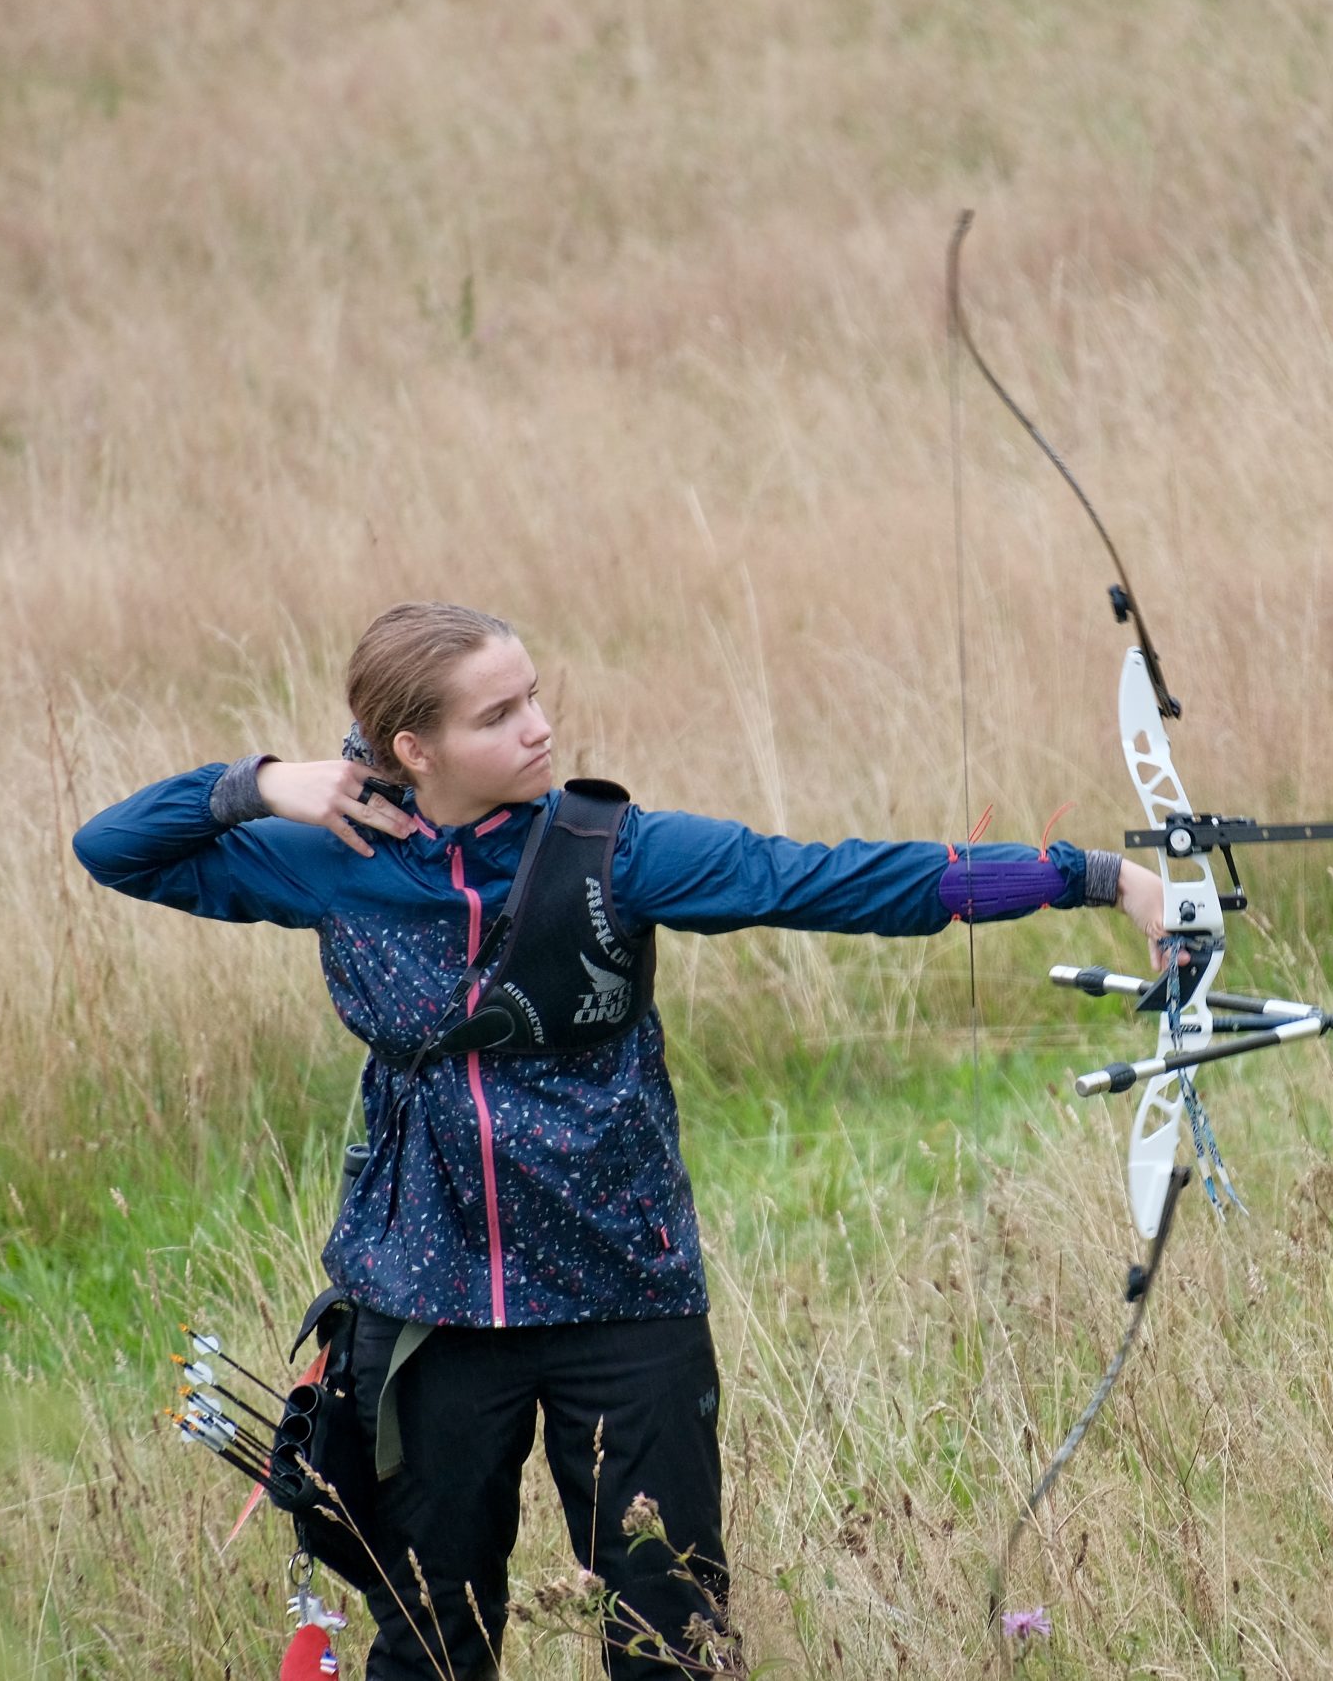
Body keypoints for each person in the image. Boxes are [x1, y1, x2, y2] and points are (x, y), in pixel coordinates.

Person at [73, 601, 1167, 1677]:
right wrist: (261, 783)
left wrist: (1097, 879)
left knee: (674, 1639)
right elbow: (112, 847)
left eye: (533, 696)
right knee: (429, 1643)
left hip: (624, 1294)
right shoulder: (331, 856)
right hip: (424, 1309)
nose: (539, 727)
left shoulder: (614, 852)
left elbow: (833, 878)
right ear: (414, 749)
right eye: (498, 715)